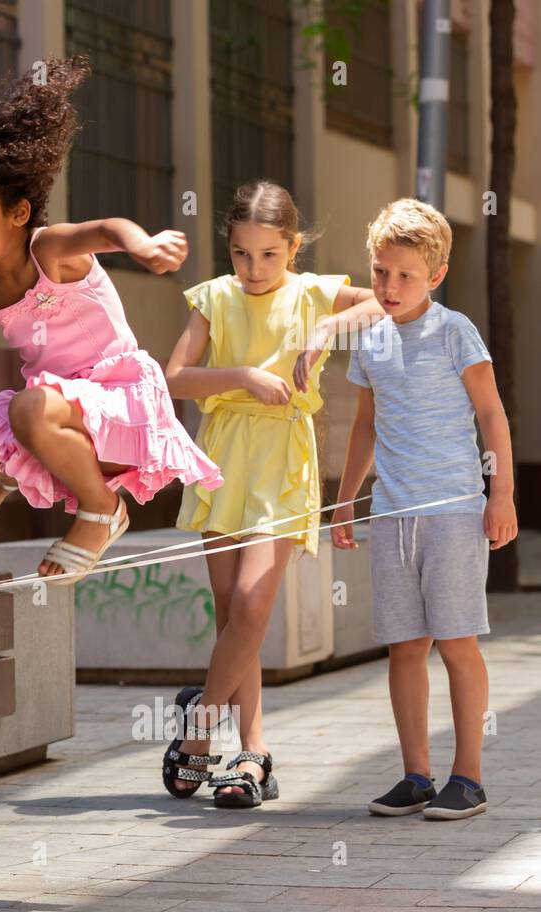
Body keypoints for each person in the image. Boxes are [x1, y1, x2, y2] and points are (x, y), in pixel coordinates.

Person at [0, 55, 220, 586]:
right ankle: (16, 472)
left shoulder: (50, 250)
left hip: (117, 397)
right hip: (51, 409)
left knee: (32, 408)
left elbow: (107, 228)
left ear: (16, 212)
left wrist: (144, 244)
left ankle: (102, 511)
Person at [163, 180, 383, 808]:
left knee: (254, 609)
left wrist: (326, 331)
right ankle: (252, 754)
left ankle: (201, 732)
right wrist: (244, 376)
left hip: (285, 459)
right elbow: (174, 377)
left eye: (268, 254)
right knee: (233, 615)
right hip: (223, 453)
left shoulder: (314, 293)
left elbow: (388, 300)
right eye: (240, 254)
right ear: (228, 248)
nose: (254, 268)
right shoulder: (213, 299)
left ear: (293, 247)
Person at [331, 199, 516, 820]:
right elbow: (364, 425)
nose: (389, 286)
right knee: (404, 646)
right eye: (381, 272)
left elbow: (492, 414)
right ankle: (416, 774)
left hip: (455, 511)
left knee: (456, 642)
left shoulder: (455, 330)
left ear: (436, 275)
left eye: (405, 275)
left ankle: (470, 777)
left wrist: (503, 494)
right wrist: (346, 500)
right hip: (391, 515)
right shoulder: (370, 339)